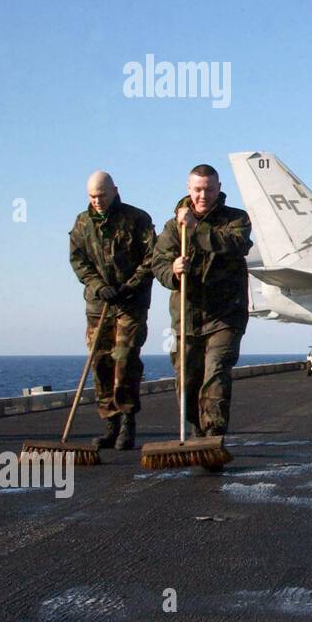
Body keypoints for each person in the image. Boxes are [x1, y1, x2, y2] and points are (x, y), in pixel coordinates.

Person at [150, 164, 252, 438]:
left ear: (219, 189)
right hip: (188, 315)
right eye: (197, 189)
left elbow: (236, 244)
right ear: (189, 189)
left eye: (208, 189)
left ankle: (214, 434)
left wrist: (196, 229)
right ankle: (196, 429)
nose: (203, 195)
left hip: (225, 315)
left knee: (216, 373)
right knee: (187, 379)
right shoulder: (173, 228)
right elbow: (157, 263)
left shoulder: (236, 219)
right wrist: (172, 270)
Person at [68, 171, 156, 449]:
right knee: (101, 362)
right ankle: (110, 422)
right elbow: (78, 259)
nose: (97, 201)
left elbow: (152, 258)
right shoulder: (82, 224)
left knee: (125, 359)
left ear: (115, 190)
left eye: (102, 195)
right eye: (92, 196)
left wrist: (130, 286)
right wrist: (97, 285)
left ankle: (128, 421)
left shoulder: (137, 219)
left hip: (130, 303)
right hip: (99, 305)